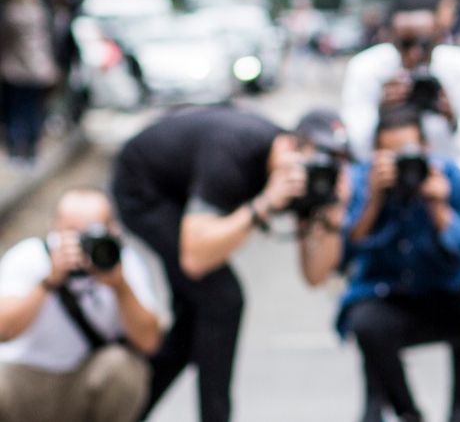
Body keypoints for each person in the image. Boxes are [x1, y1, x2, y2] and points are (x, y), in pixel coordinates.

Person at [111, 107, 349, 422]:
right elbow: (195, 258)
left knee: (192, 324)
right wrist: (265, 203)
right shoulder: (235, 150)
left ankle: (126, 413)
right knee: (222, 297)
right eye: (317, 159)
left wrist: (332, 213)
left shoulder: (311, 184)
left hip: (186, 194)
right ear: (287, 146)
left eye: (335, 164)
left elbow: (315, 275)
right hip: (144, 187)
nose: (320, 171)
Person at [334, 104, 460, 422]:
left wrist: (440, 209)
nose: (402, 165)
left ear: (425, 149)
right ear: (377, 155)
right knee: (365, 323)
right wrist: (374, 202)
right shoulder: (362, 181)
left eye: (408, 153)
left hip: (448, 290)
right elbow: (344, 255)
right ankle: (409, 413)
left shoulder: (450, 179)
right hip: (388, 294)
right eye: (391, 156)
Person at [0, 188, 162, 422]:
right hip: (25, 380)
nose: (85, 244)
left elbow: (150, 342)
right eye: (74, 233)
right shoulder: (29, 257)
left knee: (124, 367)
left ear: (112, 230)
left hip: (82, 383)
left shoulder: (122, 263)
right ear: (55, 229)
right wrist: (48, 282)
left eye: (94, 232)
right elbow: (4, 330)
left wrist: (120, 287)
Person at [341, 0, 460, 171]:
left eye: (424, 44)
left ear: (439, 37)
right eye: (406, 44)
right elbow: (358, 148)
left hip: (450, 174)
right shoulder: (367, 69)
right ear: (390, 38)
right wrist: (381, 111)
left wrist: (452, 120)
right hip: (386, 175)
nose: (415, 53)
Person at [0, 0, 59, 167]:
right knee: (33, 110)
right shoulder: (38, 13)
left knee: (17, 111)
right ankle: (32, 152)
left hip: (15, 71)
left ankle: (18, 151)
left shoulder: (10, 15)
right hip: (38, 70)